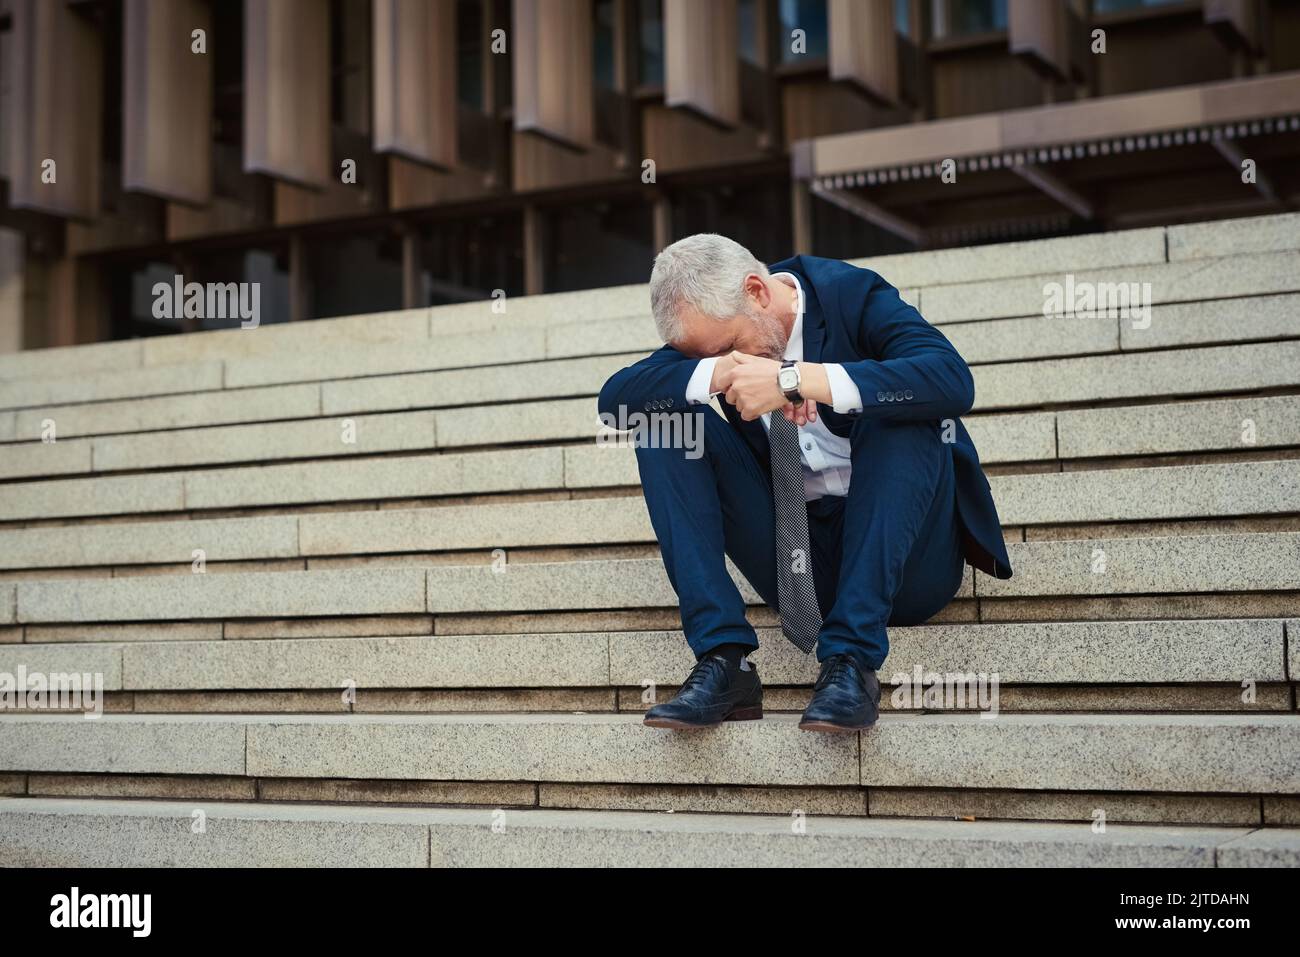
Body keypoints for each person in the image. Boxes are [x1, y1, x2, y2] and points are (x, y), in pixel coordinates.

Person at [597, 234, 1012, 733]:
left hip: (907, 560)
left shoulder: (849, 294)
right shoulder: (717, 331)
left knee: (899, 407)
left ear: (757, 291)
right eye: (714, 356)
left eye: (731, 348)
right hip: (801, 568)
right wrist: (718, 368)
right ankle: (726, 659)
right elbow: (615, 403)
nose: (732, 364)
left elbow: (950, 379)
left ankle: (852, 662)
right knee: (666, 424)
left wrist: (799, 380)